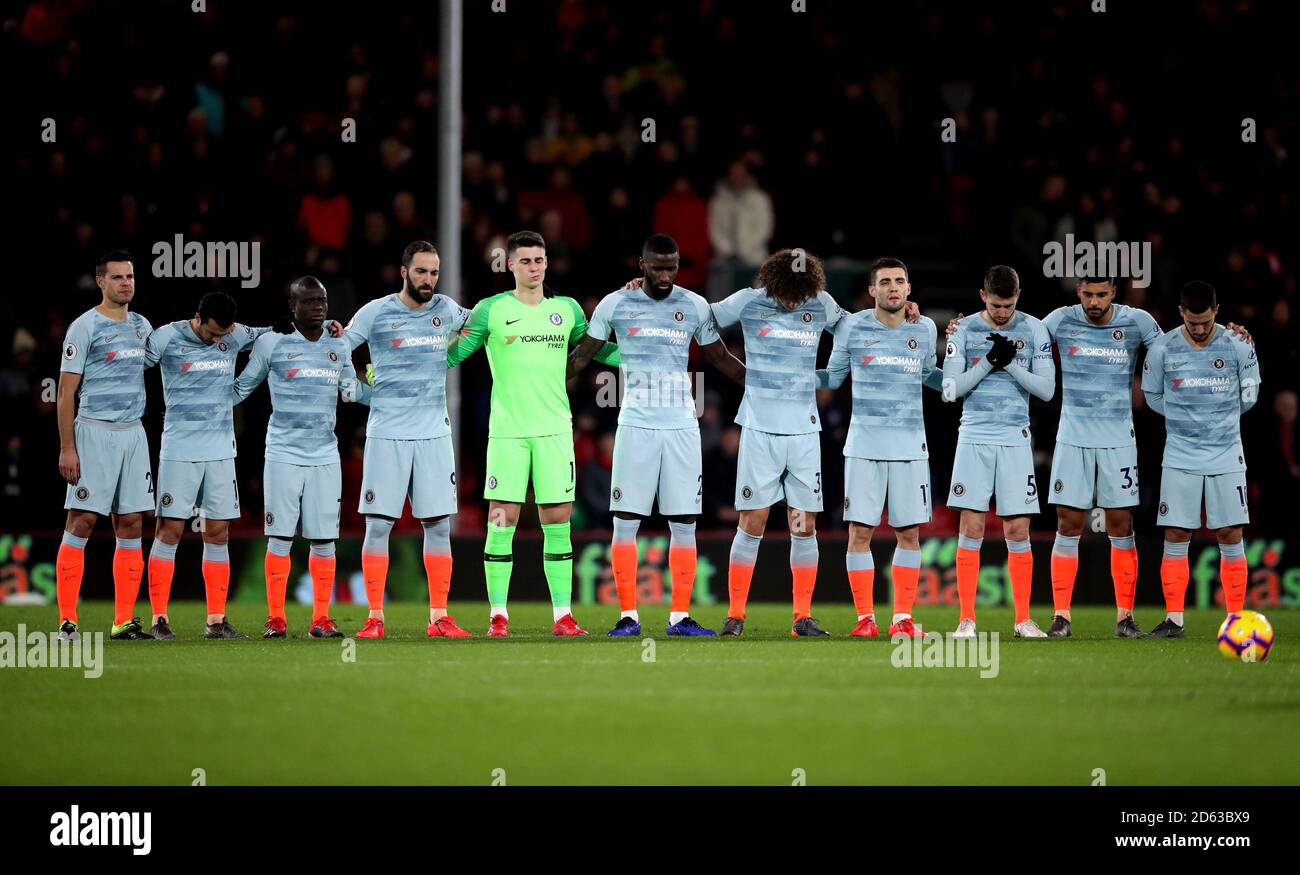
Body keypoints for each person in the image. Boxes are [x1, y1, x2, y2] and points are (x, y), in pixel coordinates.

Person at [568, 234, 745, 637]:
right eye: (658, 267)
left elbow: (720, 358)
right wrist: (548, 383)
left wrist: (761, 385)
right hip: (635, 425)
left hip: (682, 426)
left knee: (684, 522)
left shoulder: (694, 304)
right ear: (641, 264)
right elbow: (583, 355)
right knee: (626, 521)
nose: (666, 275)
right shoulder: (616, 304)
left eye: (673, 267)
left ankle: (679, 618)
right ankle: (628, 616)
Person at [445, 230, 620, 637]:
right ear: (509, 265)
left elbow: (593, 351)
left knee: (557, 520)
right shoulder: (491, 310)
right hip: (508, 433)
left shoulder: (568, 310)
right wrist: (401, 365)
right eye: (525, 261)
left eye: (539, 260)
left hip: (555, 431)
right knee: (500, 520)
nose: (534, 267)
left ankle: (562, 616)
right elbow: (454, 353)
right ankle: (498, 617)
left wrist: (642, 351)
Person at [710, 249, 846, 637]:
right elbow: (701, 315)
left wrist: (906, 315)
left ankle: (801, 617)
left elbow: (858, 329)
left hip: (804, 433)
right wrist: (646, 291)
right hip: (759, 430)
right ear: (772, 285)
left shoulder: (820, 304)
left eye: (799, 295)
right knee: (752, 522)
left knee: (803, 526)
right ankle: (735, 615)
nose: (792, 302)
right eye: (786, 294)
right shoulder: (749, 301)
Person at [342, 241, 472, 639]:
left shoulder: (446, 310)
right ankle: (375, 617)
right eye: (421, 272)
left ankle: (439, 617)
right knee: (378, 526)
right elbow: (336, 349)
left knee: (437, 525)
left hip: (434, 434)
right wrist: (361, 392)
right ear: (404, 272)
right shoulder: (377, 312)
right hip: (387, 434)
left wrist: (452, 353)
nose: (428, 280)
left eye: (433, 272)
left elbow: (483, 323)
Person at [232, 276, 370, 639]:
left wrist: (388, 394)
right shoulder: (272, 343)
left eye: (322, 300)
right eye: (309, 301)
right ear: (292, 307)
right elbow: (243, 386)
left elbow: (349, 391)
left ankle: (320, 619)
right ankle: (276, 619)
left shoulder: (338, 345)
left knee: (324, 539)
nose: (319, 307)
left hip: (325, 454)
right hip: (282, 454)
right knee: (280, 537)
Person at [818, 258, 942, 638]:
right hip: (864, 447)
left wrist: (963, 373)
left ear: (908, 288)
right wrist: (791, 372)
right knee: (860, 533)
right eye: (885, 281)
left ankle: (902, 619)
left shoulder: (924, 329)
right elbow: (833, 378)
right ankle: (865, 619)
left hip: (910, 448)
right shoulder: (852, 328)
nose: (893, 287)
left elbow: (932, 379)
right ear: (872, 290)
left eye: (899, 281)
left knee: (909, 534)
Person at [144, 292, 272, 639]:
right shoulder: (165, 337)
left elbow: (270, 335)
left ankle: (215, 620)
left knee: (218, 533)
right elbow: (132, 365)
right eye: (213, 334)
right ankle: (159, 619)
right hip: (179, 451)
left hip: (220, 452)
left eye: (224, 335)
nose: (219, 340)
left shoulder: (234, 334)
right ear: (197, 318)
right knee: (169, 532)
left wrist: (327, 330)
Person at [1141, 281, 1261, 637]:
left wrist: (1216, 420)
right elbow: (1152, 396)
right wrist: (1184, 418)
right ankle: (1175, 620)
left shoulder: (1238, 343)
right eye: (1192, 322)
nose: (1199, 329)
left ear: (1216, 312)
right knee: (1177, 533)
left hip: (1226, 452)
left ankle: (1236, 620)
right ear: (1181, 314)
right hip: (1180, 454)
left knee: (1229, 532)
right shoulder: (1163, 348)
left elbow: (1250, 394)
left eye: (1205, 322)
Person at [941, 265, 1055, 639]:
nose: (1002, 312)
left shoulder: (1035, 328)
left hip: (1015, 438)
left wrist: (1012, 367)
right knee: (971, 527)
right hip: (974, 436)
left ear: (1018, 296)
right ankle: (967, 620)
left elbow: (1047, 391)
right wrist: (988, 362)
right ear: (982, 296)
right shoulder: (964, 329)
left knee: (1017, 528)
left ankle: (1022, 619)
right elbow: (950, 390)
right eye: (995, 304)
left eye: (1008, 304)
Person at [55, 250, 155, 641]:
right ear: (101, 282)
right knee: (81, 520)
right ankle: (68, 621)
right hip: (94, 432)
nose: (126, 283)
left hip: (133, 433)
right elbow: (65, 392)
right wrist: (67, 447)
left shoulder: (142, 326)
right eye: (117, 277)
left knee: (130, 523)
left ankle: (123, 621)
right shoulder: (84, 327)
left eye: (130, 276)